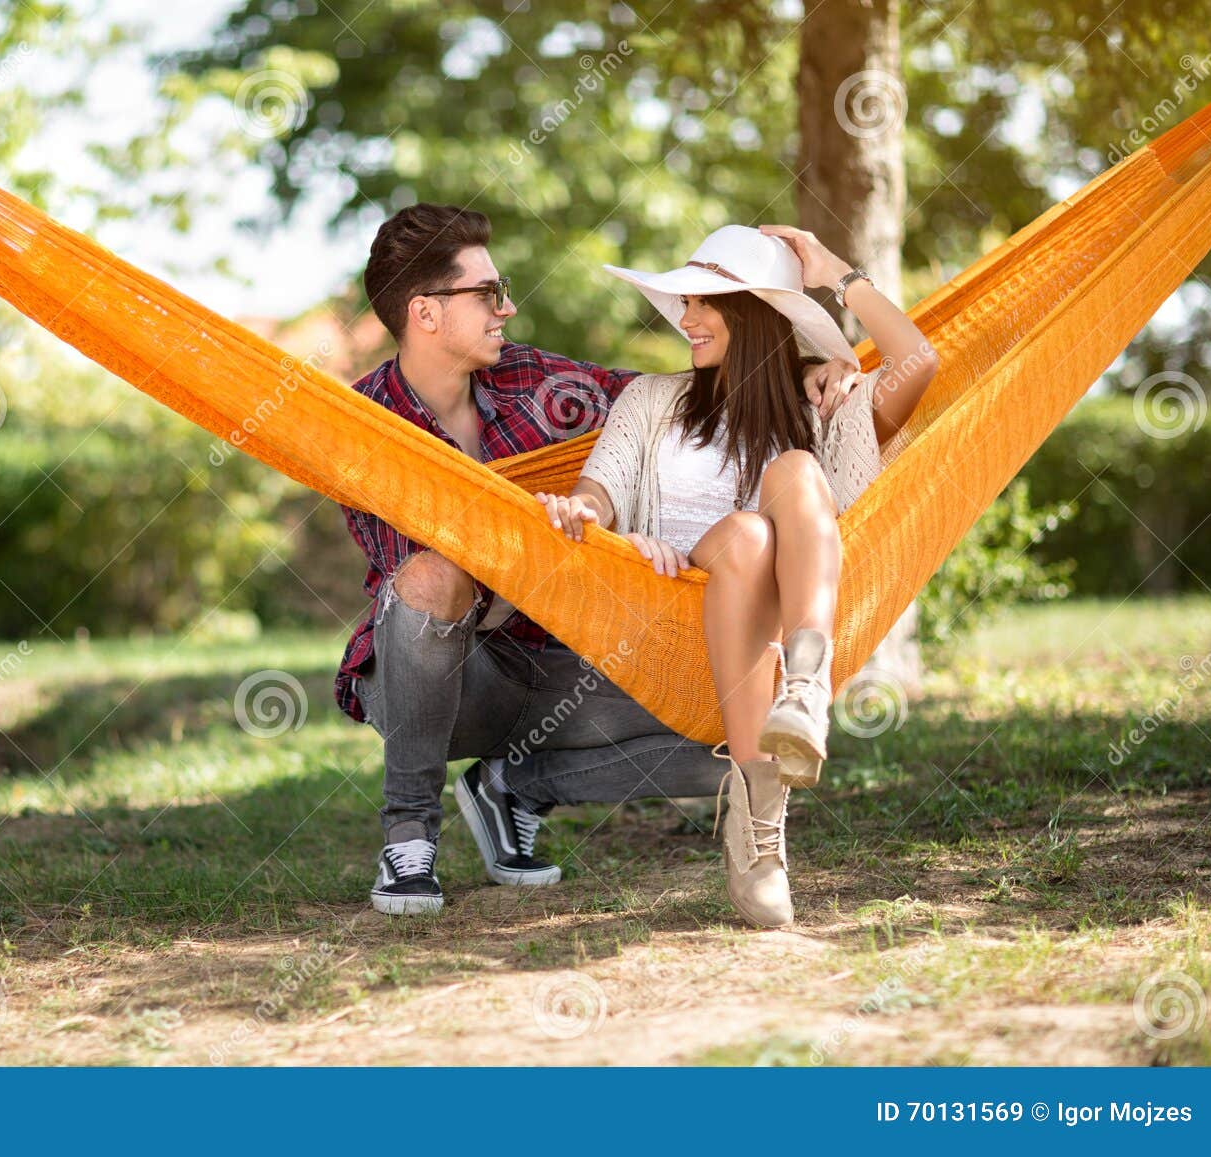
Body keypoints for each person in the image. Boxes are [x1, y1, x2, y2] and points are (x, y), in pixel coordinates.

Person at [338, 204, 859, 917]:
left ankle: (517, 784)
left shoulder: (535, 381)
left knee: (744, 731)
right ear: (426, 313)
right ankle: (408, 838)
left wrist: (796, 364)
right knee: (434, 574)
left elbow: (668, 398)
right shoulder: (362, 427)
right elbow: (430, 592)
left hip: (560, 672)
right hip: (450, 686)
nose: (508, 307)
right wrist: (555, 562)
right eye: (489, 294)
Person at [536, 223, 938, 926]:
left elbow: (919, 361)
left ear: (757, 310)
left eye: (705, 302)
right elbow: (601, 488)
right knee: (751, 530)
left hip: (766, 619)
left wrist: (836, 272)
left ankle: (795, 719)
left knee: (790, 479)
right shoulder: (652, 399)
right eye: (685, 302)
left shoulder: (822, 408)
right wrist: (600, 521)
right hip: (668, 600)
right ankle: (764, 824)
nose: (686, 319)